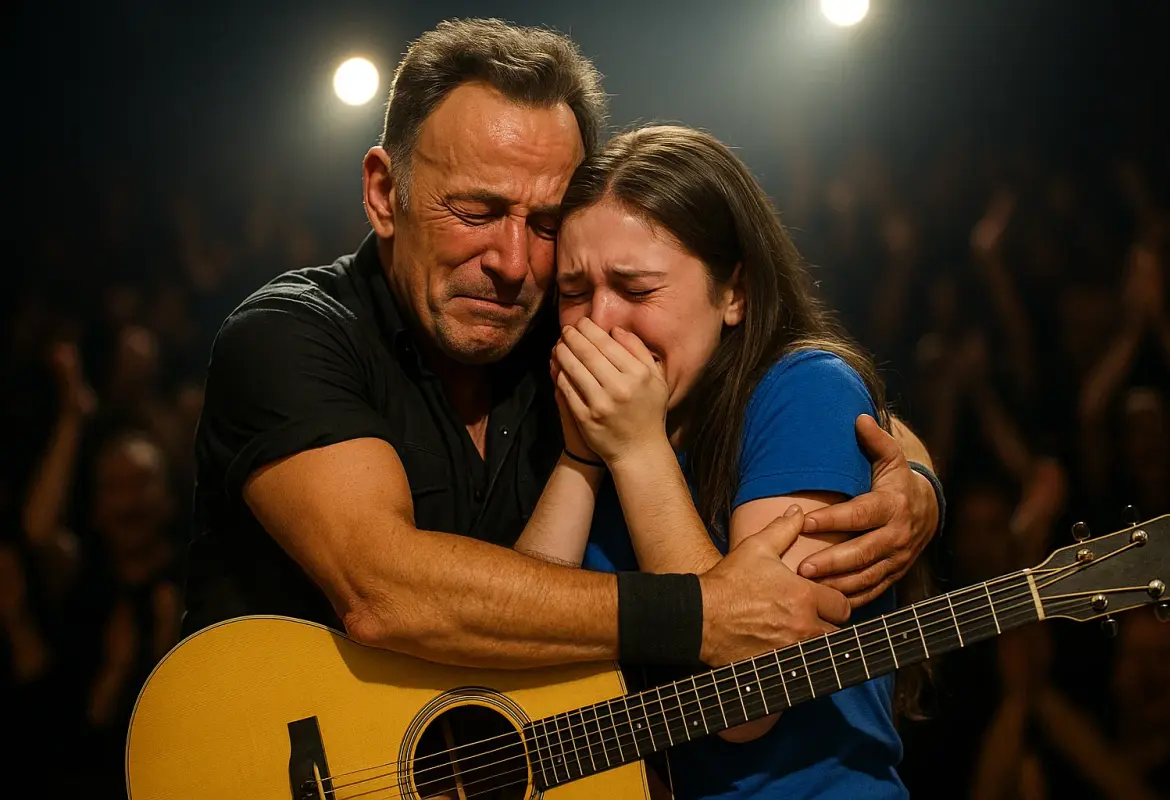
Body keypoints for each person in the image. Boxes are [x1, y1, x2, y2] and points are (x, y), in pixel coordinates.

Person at [184, 19, 943, 676]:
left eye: (546, 223)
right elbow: (386, 591)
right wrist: (703, 612)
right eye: (477, 210)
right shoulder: (289, 334)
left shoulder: (572, 320)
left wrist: (913, 482)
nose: (513, 262)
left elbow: (766, 382)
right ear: (386, 192)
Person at [514, 125, 915, 798]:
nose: (597, 324)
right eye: (574, 291)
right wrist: (581, 459)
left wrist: (638, 452)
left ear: (735, 293)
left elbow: (747, 705)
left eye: (635, 289)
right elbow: (519, 655)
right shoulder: (616, 430)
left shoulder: (807, 390)